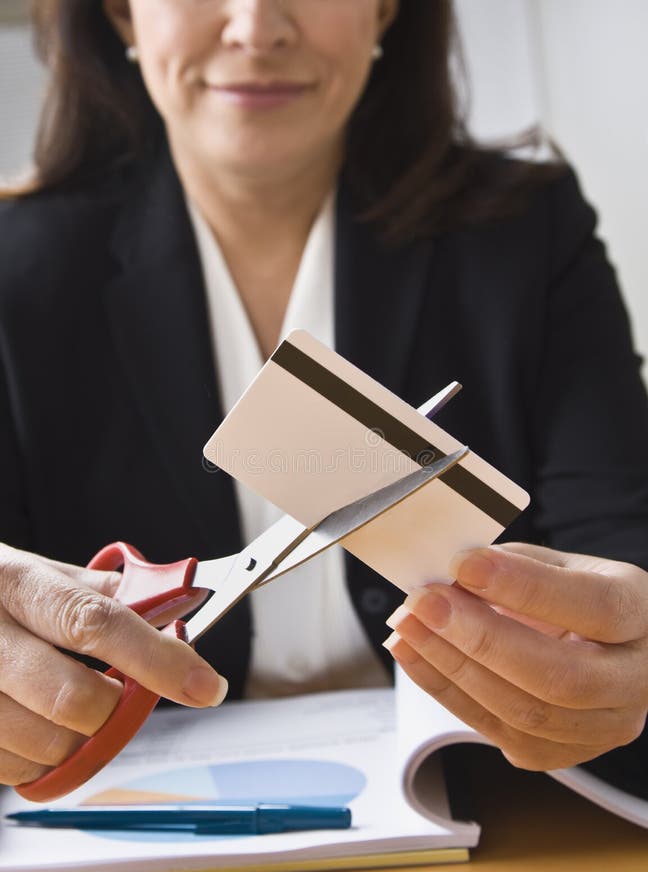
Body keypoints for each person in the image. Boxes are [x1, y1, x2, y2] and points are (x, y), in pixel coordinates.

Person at [0, 0, 647, 799]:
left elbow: (625, 548)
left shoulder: (528, 233)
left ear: (385, 9)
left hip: (507, 824)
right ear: (123, 15)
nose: (256, 28)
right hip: (129, 830)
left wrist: (623, 655)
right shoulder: (16, 272)